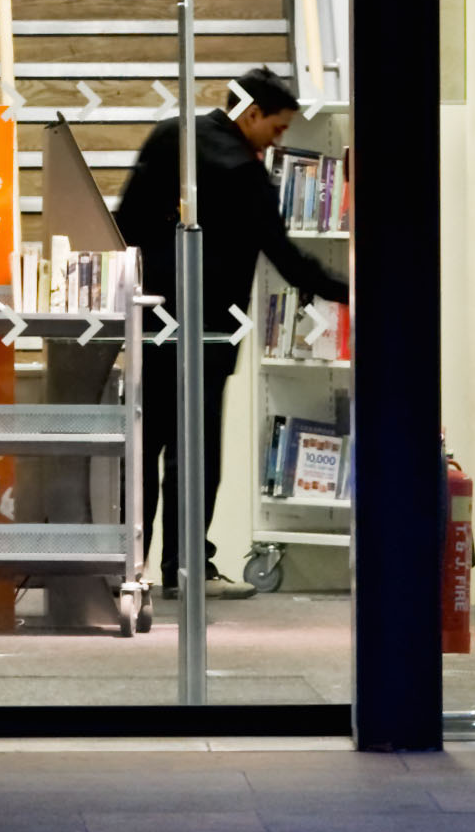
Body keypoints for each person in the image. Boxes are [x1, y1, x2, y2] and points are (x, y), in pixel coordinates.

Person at [114, 63, 346, 599]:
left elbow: (123, 226)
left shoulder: (170, 135)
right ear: (253, 113)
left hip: (149, 322)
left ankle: (129, 567)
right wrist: (354, 291)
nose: (277, 140)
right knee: (197, 454)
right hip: (211, 331)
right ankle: (187, 568)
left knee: (145, 448)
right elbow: (290, 263)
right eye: (278, 129)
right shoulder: (244, 173)